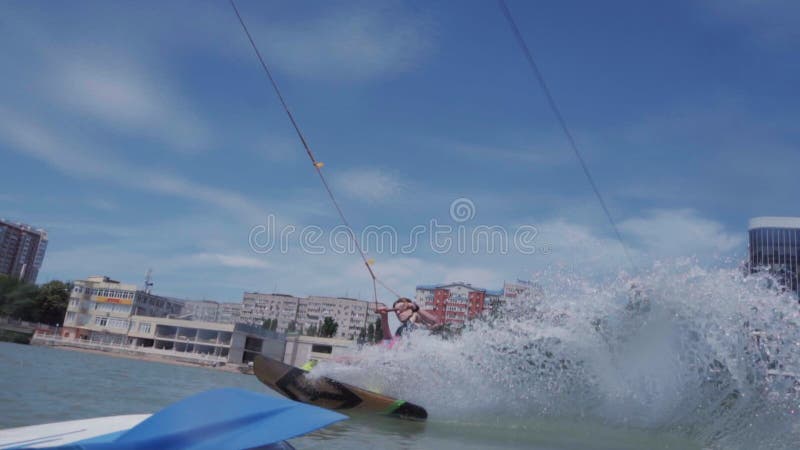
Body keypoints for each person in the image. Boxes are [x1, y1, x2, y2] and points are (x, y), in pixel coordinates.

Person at [375, 297, 440, 341]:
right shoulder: (401, 329)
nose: (398, 312)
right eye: (395, 311)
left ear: (411, 309)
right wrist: (384, 317)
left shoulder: (421, 323)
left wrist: (416, 308)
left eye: (401, 308)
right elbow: (390, 342)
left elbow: (436, 322)